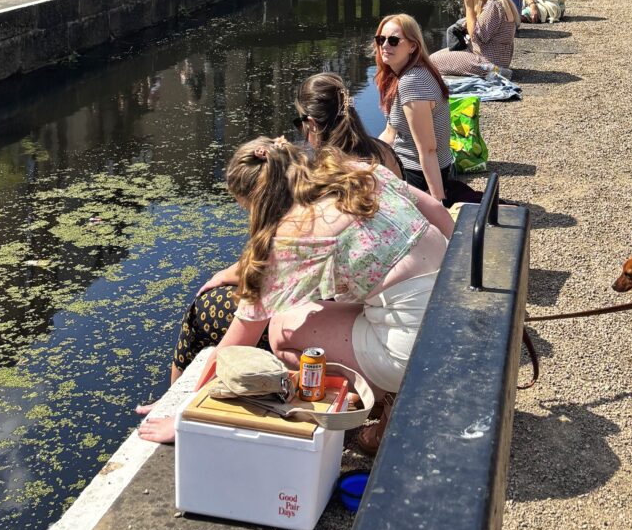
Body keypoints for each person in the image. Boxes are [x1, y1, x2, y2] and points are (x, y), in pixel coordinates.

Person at [138, 135, 452, 447]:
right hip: (448, 306)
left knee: (282, 332)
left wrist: (182, 417)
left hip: (411, 349)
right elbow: (437, 213)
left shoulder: (291, 238)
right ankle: (387, 400)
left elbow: (234, 347)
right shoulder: (358, 173)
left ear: (257, 203)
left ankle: (391, 405)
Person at [374, 14, 453, 203]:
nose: (385, 46)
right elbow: (389, 133)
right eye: (381, 39)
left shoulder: (412, 82)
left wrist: (438, 203)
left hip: (417, 174)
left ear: (412, 46)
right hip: (407, 164)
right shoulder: (400, 75)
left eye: (393, 40)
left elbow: (428, 149)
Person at [434, 0, 519, 76]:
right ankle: (493, 71)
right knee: (433, 58)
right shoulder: (500, 1)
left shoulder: (494, 4)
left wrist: (469, 8)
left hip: (487, 60)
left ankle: (494, 72)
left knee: (432, 62)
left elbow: (476, 35)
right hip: (495, 57)